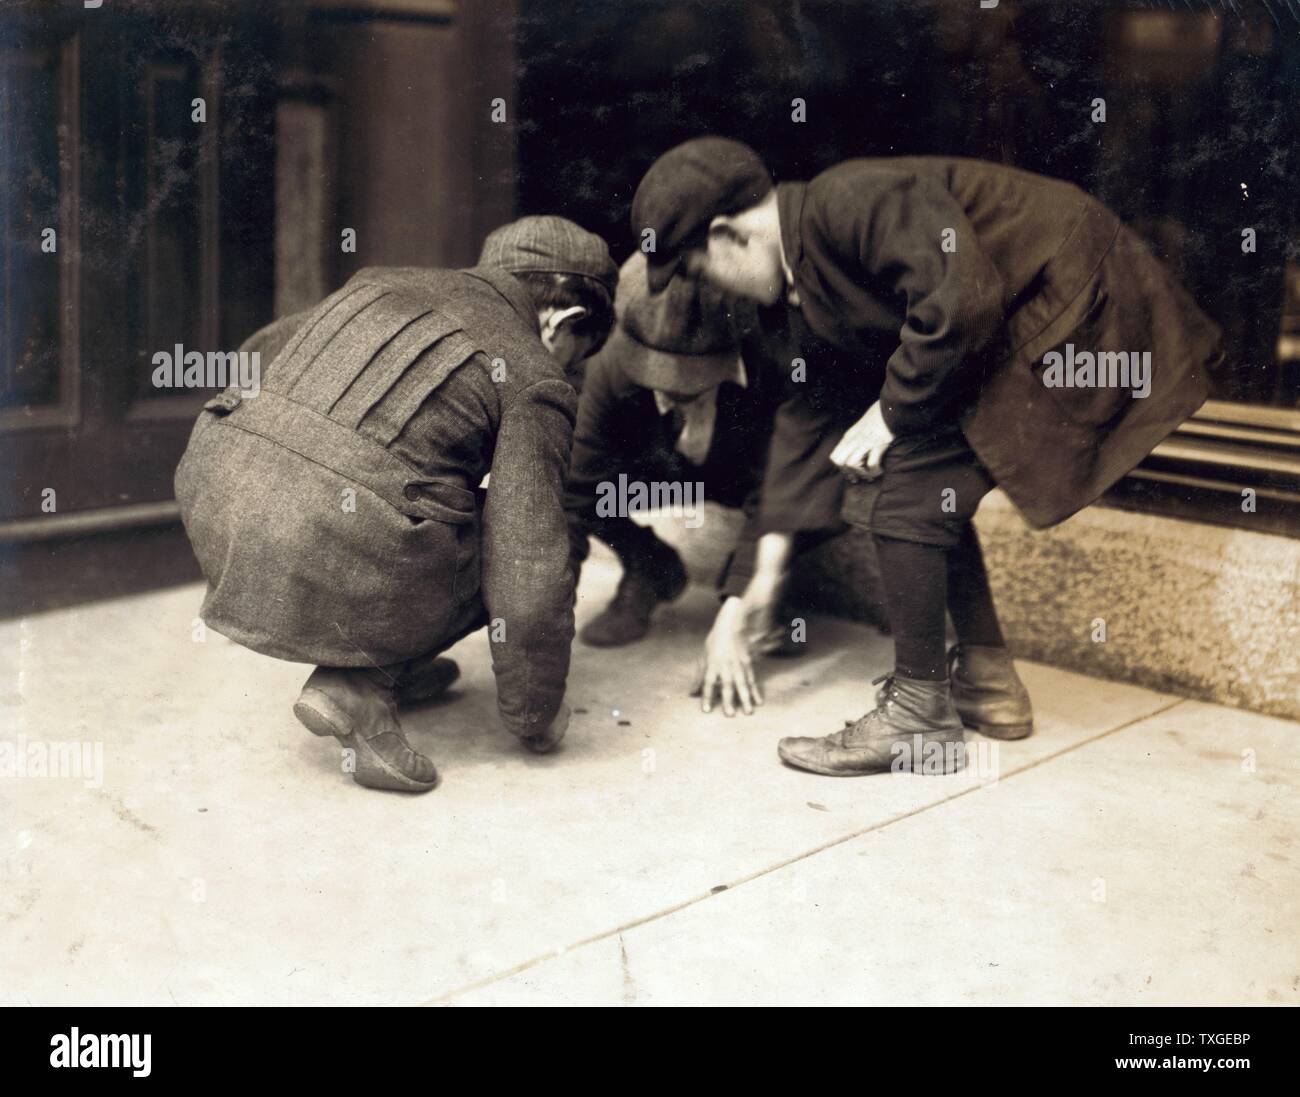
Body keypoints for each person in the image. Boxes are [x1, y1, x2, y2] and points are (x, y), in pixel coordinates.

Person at [632, 137, 1224, 775]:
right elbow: (806, 426)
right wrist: (754, 584)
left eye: (695, 269)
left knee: (905, 487)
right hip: (1027, 317)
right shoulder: (802, 287)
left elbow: (960, 296)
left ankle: (920, 714)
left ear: (729, 235)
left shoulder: (850, 199)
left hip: (1077, 304)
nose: (714, 290)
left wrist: (889, 414)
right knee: (924, 488)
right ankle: (987, 683)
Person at [175, 216, 616, 793]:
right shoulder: (532, 372)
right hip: (326, 528)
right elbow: (527, 574)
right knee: (509, 537)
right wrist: (535, 710)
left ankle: (388, 653)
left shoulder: (379, 279)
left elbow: (257, 353)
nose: (573, 375)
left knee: (416, 496)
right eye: (577, 358)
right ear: (565, 320)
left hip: (211, 486)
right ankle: (359, 685)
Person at [566, 253, 844, 712]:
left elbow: (780, 491)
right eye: (657, 370)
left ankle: (773, 593)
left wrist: (739, 603)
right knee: (569, 480)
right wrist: (545, 620)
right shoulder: (610, 366)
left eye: (693, 374)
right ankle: (650, 564)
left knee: (830, 486)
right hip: (663, 480)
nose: (674, 385)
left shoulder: (773, 362)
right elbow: (574, 493)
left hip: (745, 478)